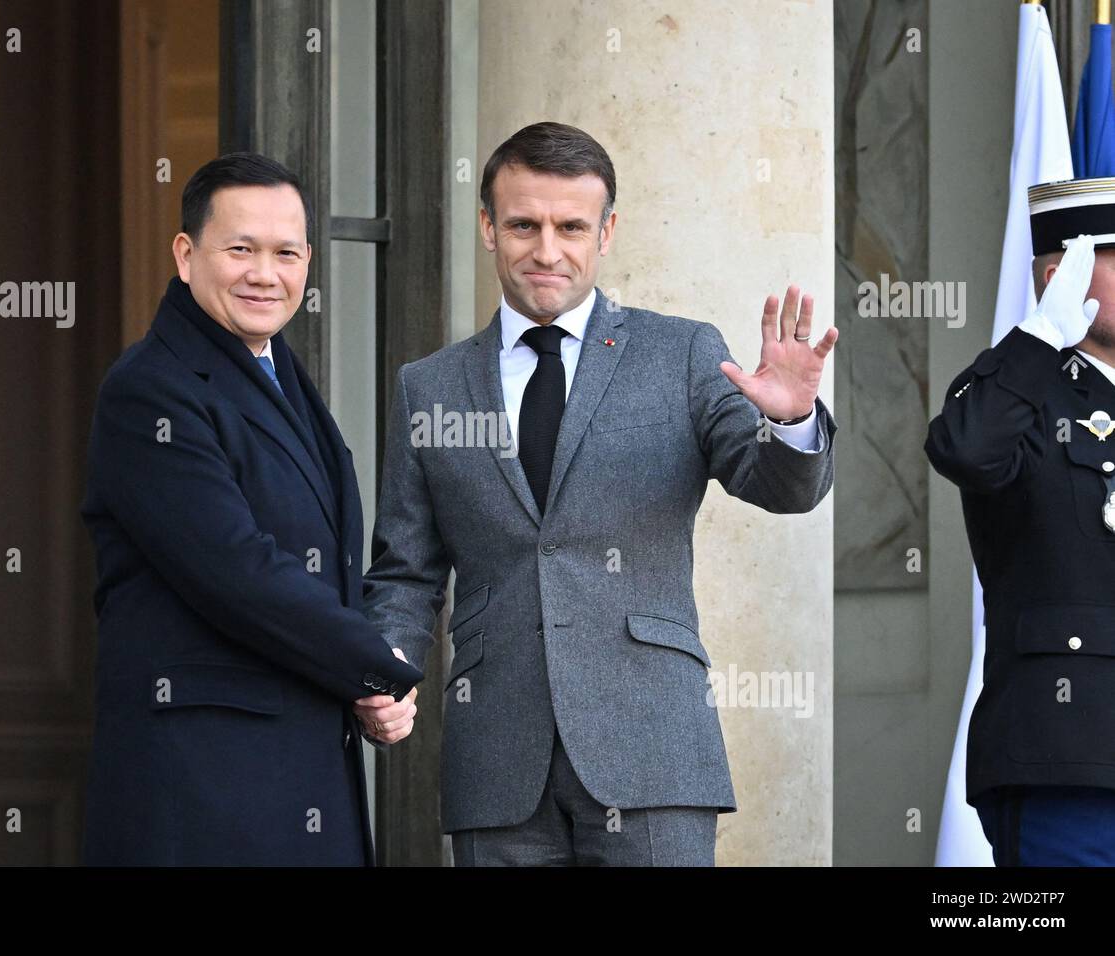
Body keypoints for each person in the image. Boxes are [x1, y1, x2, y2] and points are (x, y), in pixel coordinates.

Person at [361, 122, 838, 865]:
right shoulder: (430, 385)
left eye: (571, 227)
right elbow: (406, 569)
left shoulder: (682, 353)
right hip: (496, 760)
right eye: (523, 224)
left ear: (607, 232)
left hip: (653, 751)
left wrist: (790, 418)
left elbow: (775, 485)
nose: (546, 250)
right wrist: (384, 667)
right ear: (488, 226)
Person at [80, 152, 421, 866]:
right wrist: (373, 666)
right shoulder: (151, 390)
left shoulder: (275, 370)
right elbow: (237, 570)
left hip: (289, 777)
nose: (265, 273)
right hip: (205, 788)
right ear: (186, 253)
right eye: (240, 249)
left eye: (287, 253)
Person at [926, 176, 1115, 866]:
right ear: (1058, 274)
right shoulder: (1016, 395)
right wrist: (1039, 339)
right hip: (1069, 762)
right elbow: (966, 449)